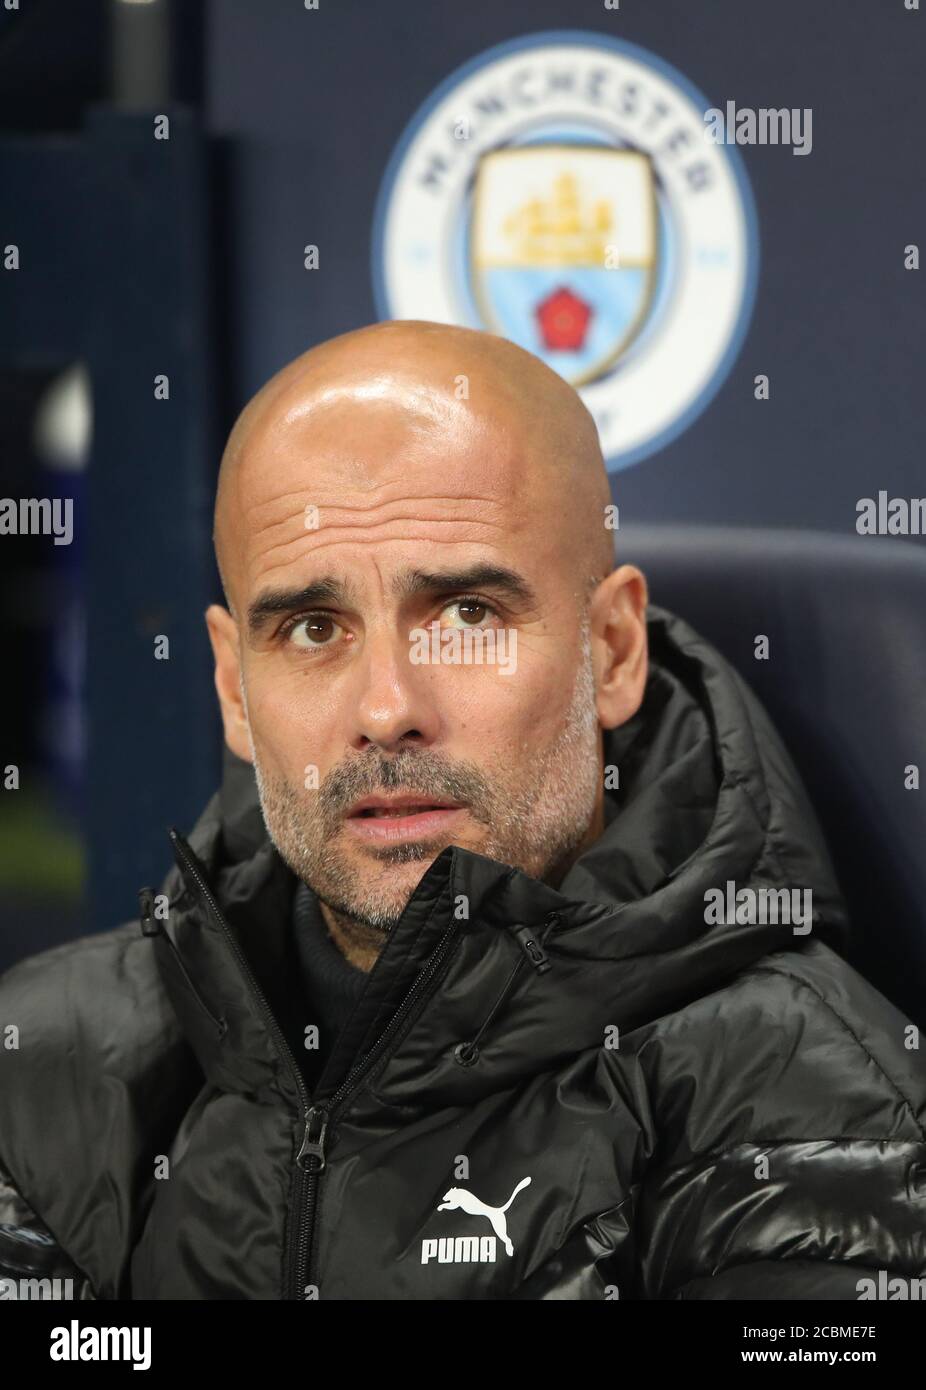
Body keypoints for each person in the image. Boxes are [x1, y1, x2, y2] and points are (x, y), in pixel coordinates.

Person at [1, 321, 924, 1300]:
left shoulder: (813, 1110)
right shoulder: (44, 1064)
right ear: (234, 685)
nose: (387, 709)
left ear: (610, 650)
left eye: (466, 615)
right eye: (313, 627)